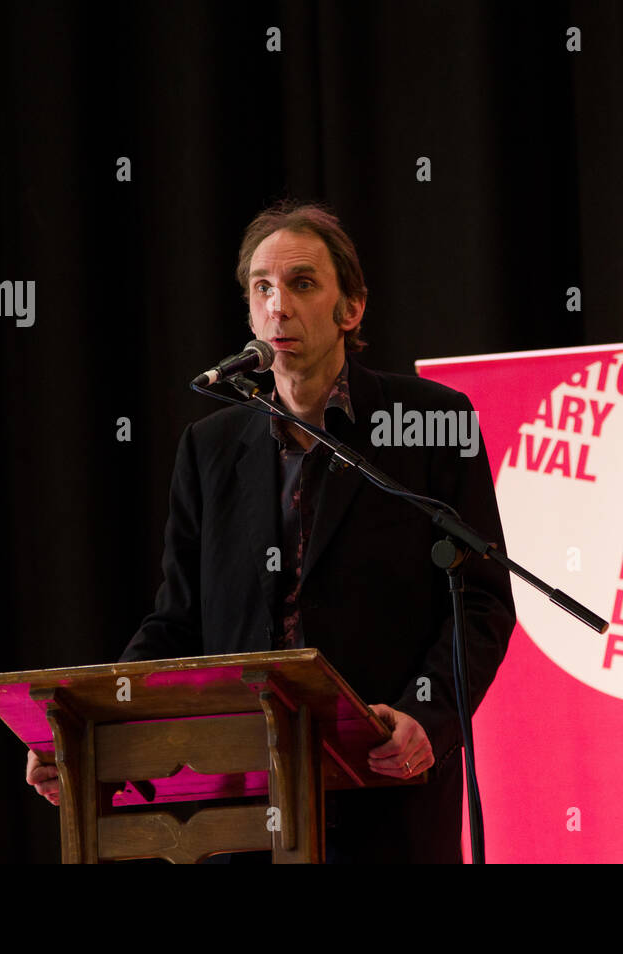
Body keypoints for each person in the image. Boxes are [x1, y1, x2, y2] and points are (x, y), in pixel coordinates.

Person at [27, 201, 516, 862]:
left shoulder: (430, 422)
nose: (277, 305)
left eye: (302, 283)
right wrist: (95, 728)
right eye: (262, 287)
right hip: (243, 804)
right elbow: (177, 624)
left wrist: (428, 719)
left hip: (384, 789)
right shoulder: (208, 448)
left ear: (352, 308)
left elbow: (482, 601)